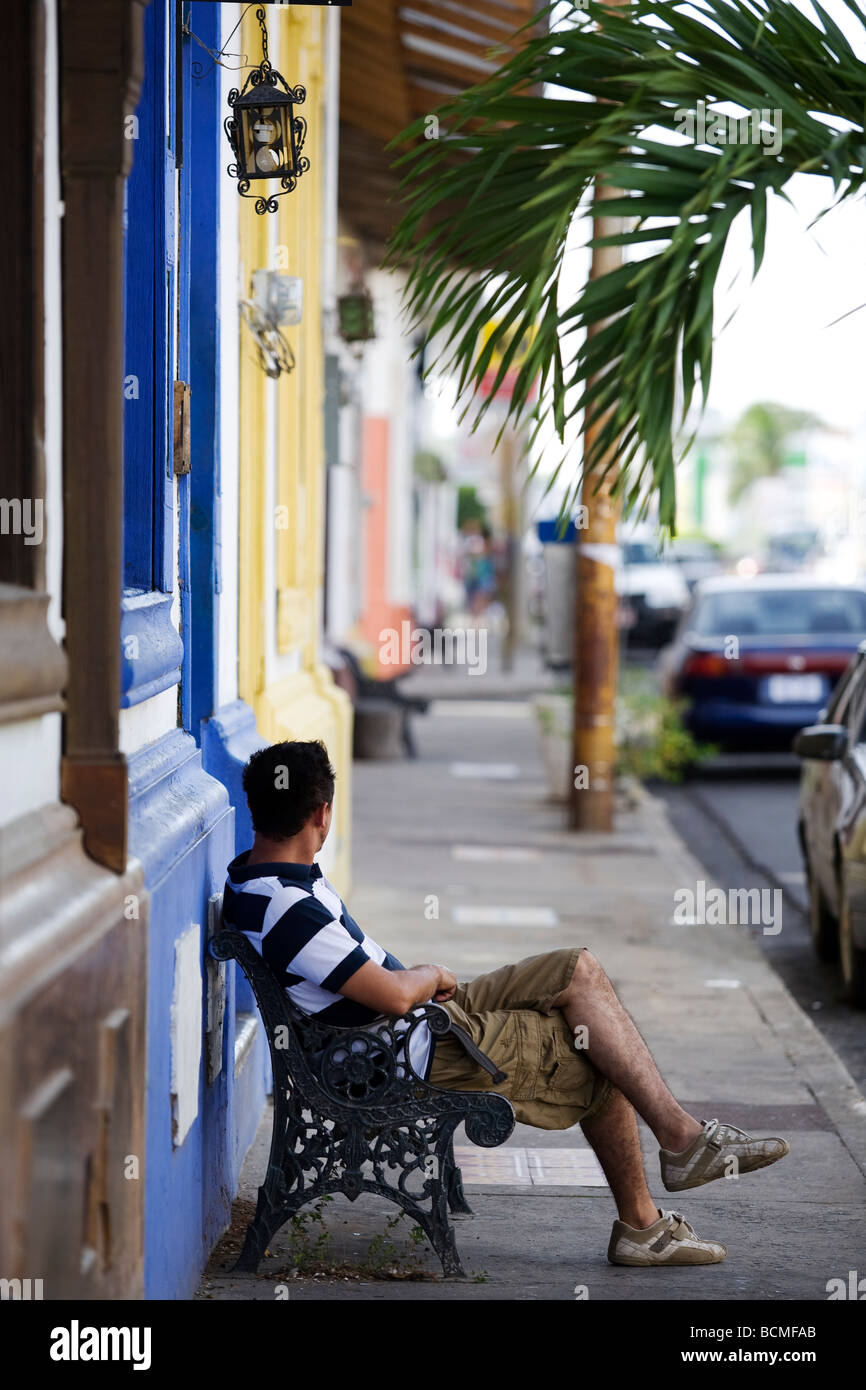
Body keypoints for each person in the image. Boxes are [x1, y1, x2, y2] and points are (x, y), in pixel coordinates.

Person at [223, 739, 789, 1268]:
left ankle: (680, 1147)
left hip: (420, 1020)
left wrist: (425, 982)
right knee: (595, 1051)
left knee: (577, 969)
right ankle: (651, 1211)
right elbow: (394, 997)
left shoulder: (262, 881)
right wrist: (429, 974)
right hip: (405, 1052)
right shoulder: (288, 910)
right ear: (322, 813)